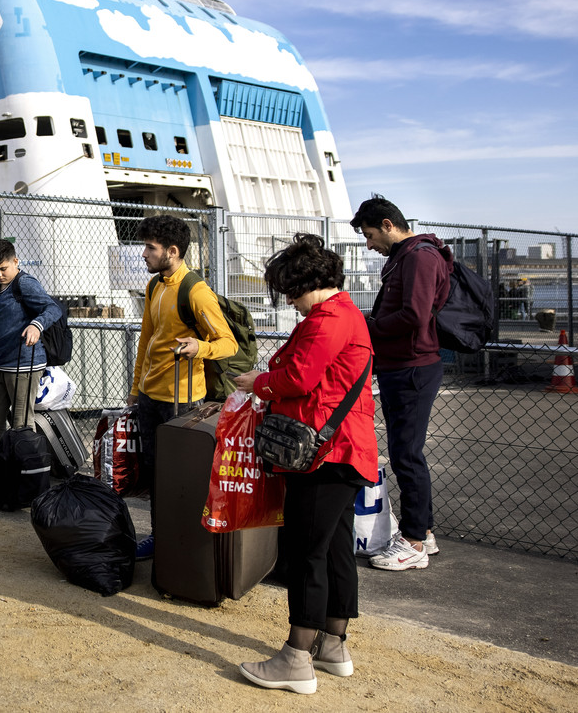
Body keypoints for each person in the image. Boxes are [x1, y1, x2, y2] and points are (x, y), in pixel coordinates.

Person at [233, 233, 377, 694]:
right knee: (334, 549)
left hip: (324, 453)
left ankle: (297, 657)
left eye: (291, 291)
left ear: (306, 282)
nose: (290, 301)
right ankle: (333, 645)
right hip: (345, 449)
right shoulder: (346, 314)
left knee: (306, 552)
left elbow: (298, 376)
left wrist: (259, 383)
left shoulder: (328, 318)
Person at [128, 214, 237, 560]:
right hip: (150, 398)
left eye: (150, 247)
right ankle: (162, 537)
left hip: (183, 402)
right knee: (156, 475)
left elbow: (228, 343)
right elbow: (147, 339)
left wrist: (199, 348)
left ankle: (185, 542)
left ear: (172, 251)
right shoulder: (154, 285)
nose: (143, 253)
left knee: (183, 479)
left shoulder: (196, 291)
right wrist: (135, 390)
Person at [352, 195, 452, 571]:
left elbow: (414, 315)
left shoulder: (419, 257)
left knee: (407, 456)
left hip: (411, 368)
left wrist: (369, 327)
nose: (370, 244)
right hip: (404, 367)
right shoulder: (410, 257)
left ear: (388, 225)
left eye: (370, 234)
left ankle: (412, 541)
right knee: (406, 454)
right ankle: (421, 532)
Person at [0, 238, 62, 488]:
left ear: (15, 262)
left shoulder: (25, 283)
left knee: (21, 425)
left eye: (3, 269)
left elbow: (52, 309)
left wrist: (35, 325)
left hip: (24, 365)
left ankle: (23, 477)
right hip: (0, 363)